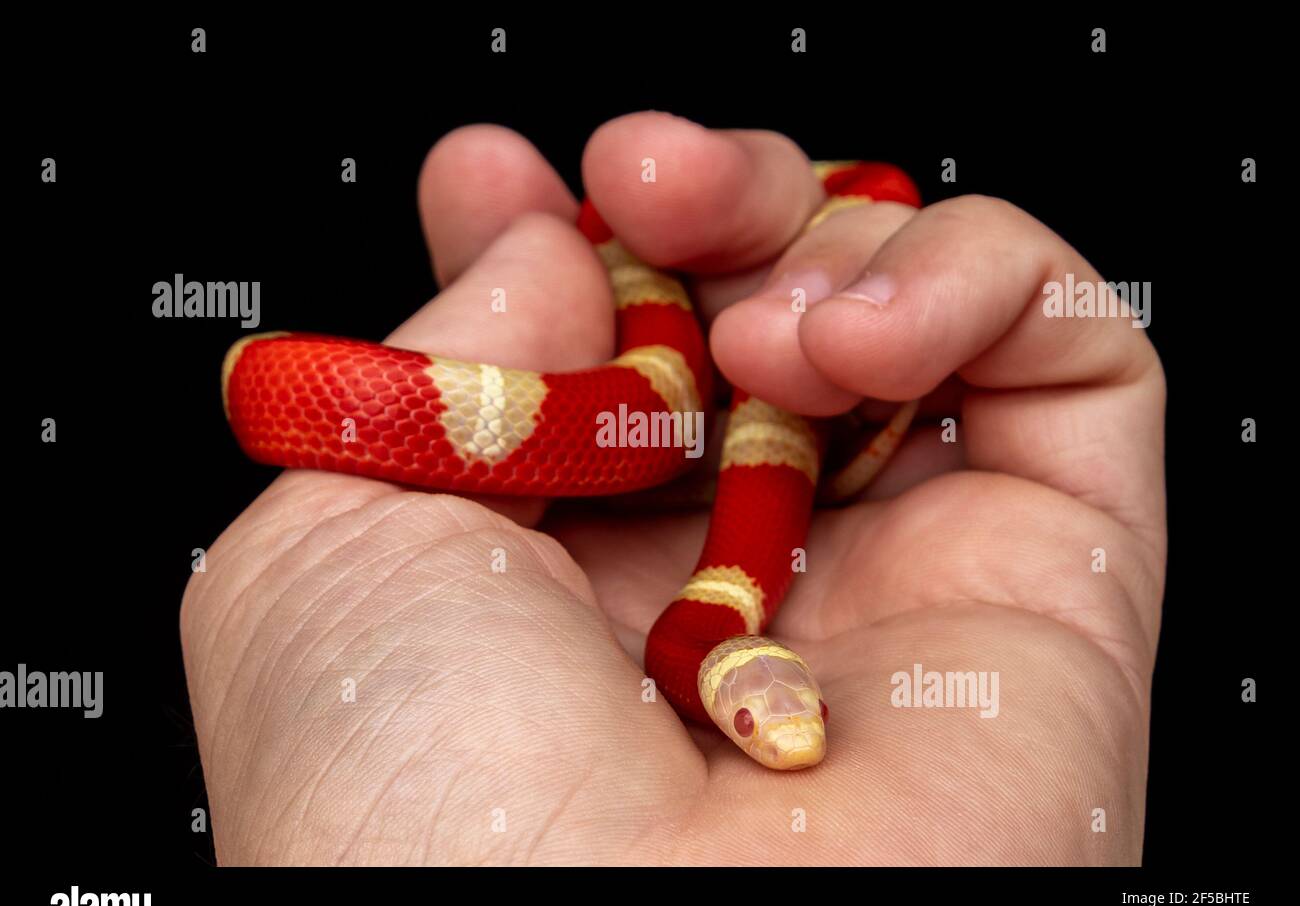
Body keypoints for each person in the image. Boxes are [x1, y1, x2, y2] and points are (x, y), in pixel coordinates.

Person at [181, 112, 1166, 865]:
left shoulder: (717, 629)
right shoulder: (693, 630)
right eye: (761, 719)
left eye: (771, 720)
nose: (786, 741)